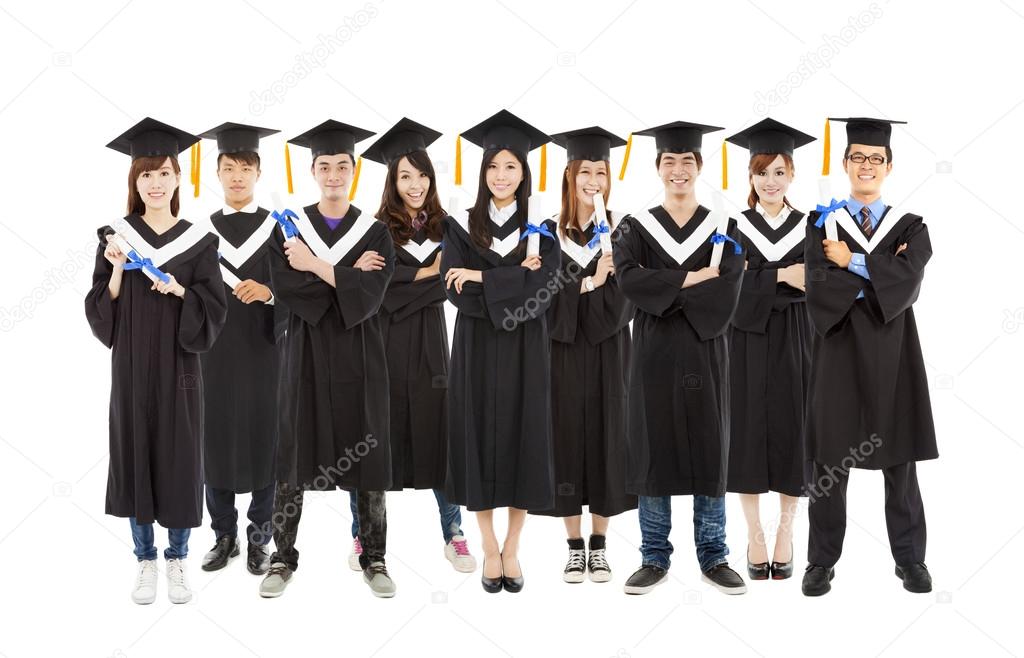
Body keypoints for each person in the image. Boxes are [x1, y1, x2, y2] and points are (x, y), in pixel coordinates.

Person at [85, 117, 227, 604]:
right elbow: (100, 311)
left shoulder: (200, 240)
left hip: (181, 369)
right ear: (134, 181)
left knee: (180, 455)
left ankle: (177, 558)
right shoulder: (117, 237)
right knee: (135, 451)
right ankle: (144, 560)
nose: (155, 182)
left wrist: (180, 288)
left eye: (164, 172)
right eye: (145, 174)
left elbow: (216, 307)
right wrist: (119, 270)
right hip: (129, 368)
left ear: (178, 177)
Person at [258, 120, 398, 599]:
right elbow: (291, 292)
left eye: (342, 165)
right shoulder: (289, 230)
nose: (334, 174)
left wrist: (316, 266)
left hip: (362, 360)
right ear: (312, 171)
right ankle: (282, 557)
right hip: (305, 359)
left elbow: (371, 297)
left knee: (369, 460)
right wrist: (345, 276)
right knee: (294, 456)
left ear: (354, 170)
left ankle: (374, 557)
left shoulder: (376, 232)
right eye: (325, 166)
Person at [801, 117, 936, 597]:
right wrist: (879, 273)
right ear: (844, 163)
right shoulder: (820, 223)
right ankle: (820, 561)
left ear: (889, 166)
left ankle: (910, 559)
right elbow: (817, 286)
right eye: (857, 156)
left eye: (875, 158)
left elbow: (909, 281)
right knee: (829, 461)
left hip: (894, 353)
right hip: (837, 349)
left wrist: (851, 263)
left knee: (899, 458)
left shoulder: (911, 226)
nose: (866, 165)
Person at [613, 120, 748, 596]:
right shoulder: (634, 226)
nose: (677, 169)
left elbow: (728, 290)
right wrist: (691, 279)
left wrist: (664, 285)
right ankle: (653, 556)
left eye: (686, 161)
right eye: (669, 161)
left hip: (706, 352)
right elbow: (628, 280)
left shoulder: (724, 226)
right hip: (652, 355)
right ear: (657, 167)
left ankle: (714, 556)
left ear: (699, 167)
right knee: (653, 449)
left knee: (709, 448)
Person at [346, 117, 476, 574]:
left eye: (421, 174)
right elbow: (374, 291)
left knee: (440, 434)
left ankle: (454, 533)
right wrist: (428, 275)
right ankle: (364, 536)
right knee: (371, 438)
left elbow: (455, 289)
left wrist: (405, 281)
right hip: (380, 344)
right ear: (392, 181)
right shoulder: (373, 228)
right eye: (405, 176)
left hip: (431, 348)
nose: (415, 184)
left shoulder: (450, 228)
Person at [441, 109, 561, 593]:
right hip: (475, 347)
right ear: (482, 171)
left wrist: (483, 277)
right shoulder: (461, 225)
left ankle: (513, 547)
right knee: (478, 443)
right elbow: (453, 291)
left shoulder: (542, 226)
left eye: (511, 167)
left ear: (524, 173)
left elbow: (545, 289)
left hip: (526, 350)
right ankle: (488, 546)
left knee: (523, 442)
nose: (501, 176)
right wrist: (512, 278)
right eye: (494, 166)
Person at [530, 126, 636, 584]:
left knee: (609, 436)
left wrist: (597, 290)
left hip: (610, 350)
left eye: (601, 172)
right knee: (566, 435)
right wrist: (592, 282)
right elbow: (539, 301)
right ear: (569, 176)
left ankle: (601, 543)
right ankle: (574, 545)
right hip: (560, 351)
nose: (593, 180)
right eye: (584, 171)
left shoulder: (625, 229)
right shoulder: (545, 235)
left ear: (609, 179)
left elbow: (627, 301)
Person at [722, 118, 816, 581]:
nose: (771, 181)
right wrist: (780, 276)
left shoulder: (813, 225)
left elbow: (817, 283)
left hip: (798, 336)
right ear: (751, 177)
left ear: (792, 175)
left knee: (792, 427)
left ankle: (786, 531)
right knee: (746, 431)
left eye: (780, 172)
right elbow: (726, 287)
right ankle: (754, 533)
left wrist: (761, 281)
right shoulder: (732, 227)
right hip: (745, 337)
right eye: (763, 172)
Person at [195, 122, 282, 577]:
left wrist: (269, 294)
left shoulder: (279, 228)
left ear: (258, 172)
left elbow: (301, 288)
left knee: (265, 438)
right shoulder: (200, 232)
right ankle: (223, 535)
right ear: (217, 172)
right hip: (214, 353)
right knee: (216, 439)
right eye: (228, 168)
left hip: (265, 350)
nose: (236, 177)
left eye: (245, 168)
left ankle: (259, 538)